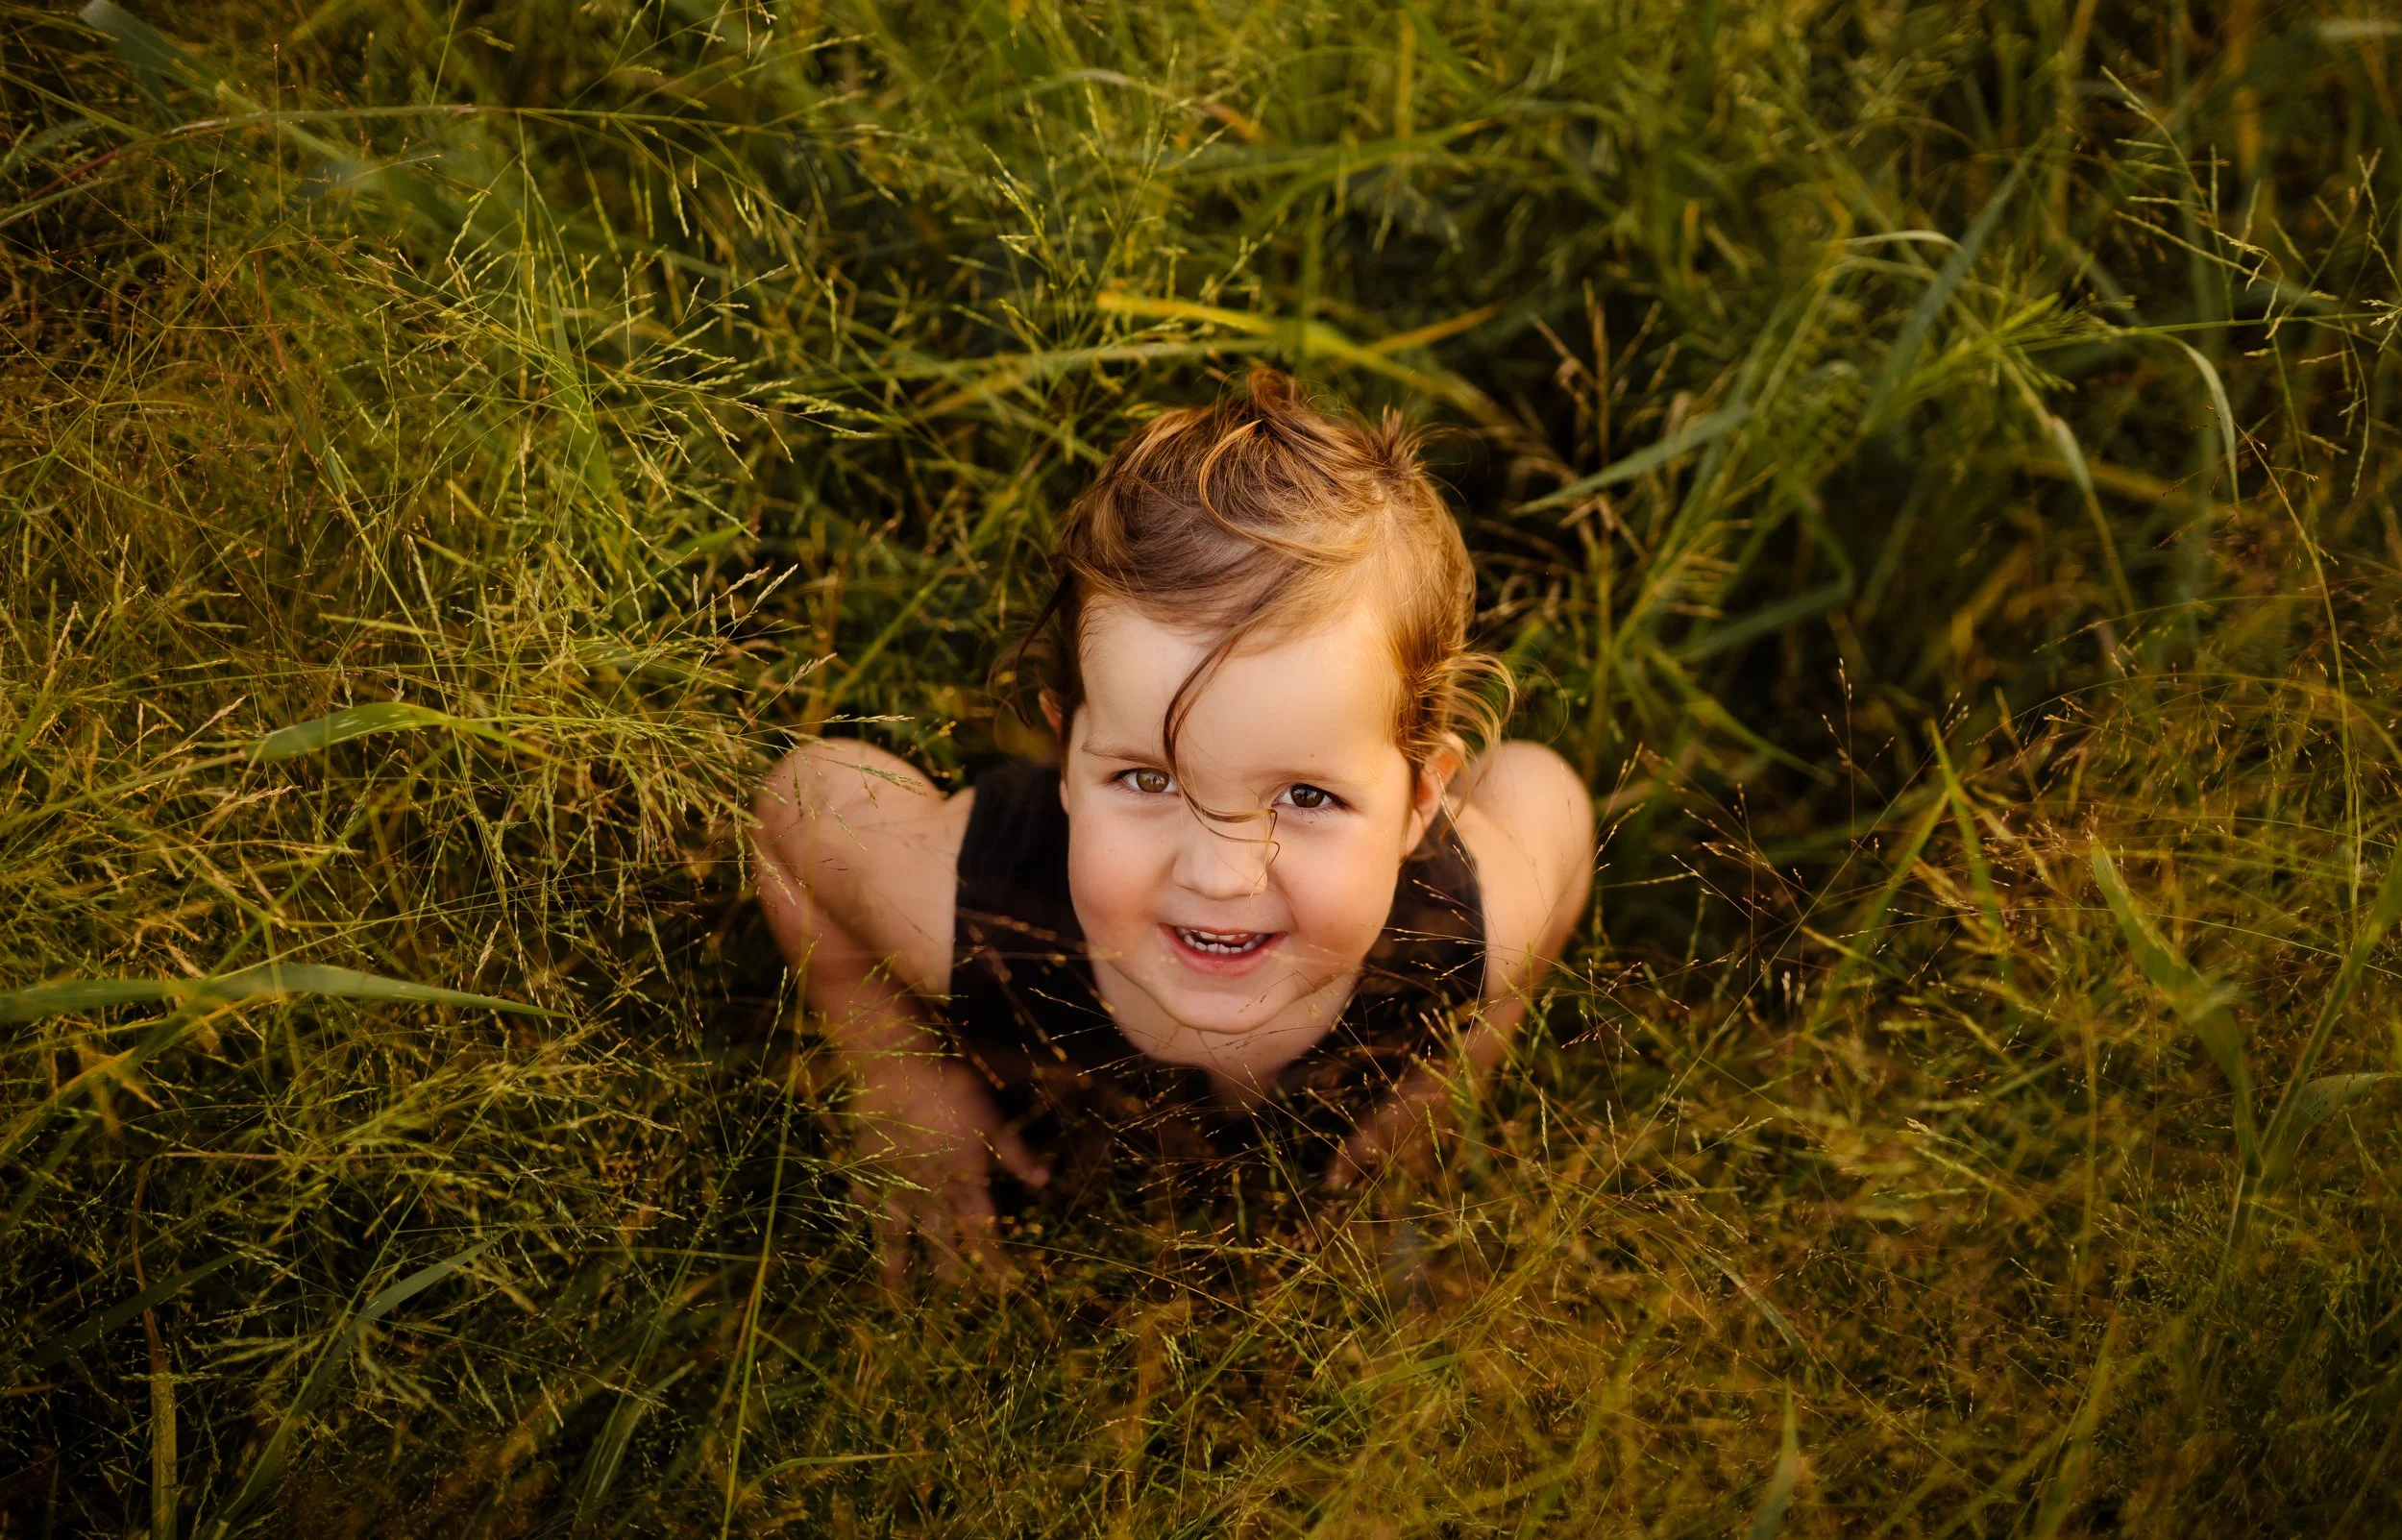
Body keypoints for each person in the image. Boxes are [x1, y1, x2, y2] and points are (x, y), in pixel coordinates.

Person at [752, 369, 1594, 1281]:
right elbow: (801, 802)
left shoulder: (1459, 929)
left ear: (1421, 801)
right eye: (1148, 777)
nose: (1220, 876)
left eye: (1307, 796)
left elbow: (1549, 797)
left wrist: (1450, 1075)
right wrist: (898, 1073)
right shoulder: (976, 909)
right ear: (1067, 757)